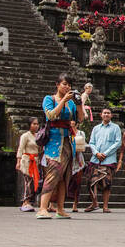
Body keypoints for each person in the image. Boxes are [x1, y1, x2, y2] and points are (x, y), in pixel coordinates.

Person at [38, 73, 83, 219]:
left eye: (69, 85)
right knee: (53, 173)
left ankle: (60, 208)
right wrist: (63, 100)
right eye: (64, 84)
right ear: (57, 85)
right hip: (53, 141)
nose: (67, 87)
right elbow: (51, 115)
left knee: (64, 176)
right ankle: (43, 208)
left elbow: (80, 119)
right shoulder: (49, 99)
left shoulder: (71, 103)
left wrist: (79, 104)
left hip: (68, 142)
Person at [87, 107, 122, 213]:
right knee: (91, 182)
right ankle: (94, 203)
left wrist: (105, 153)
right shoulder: (96, 128)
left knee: (107, 183)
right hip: (95, 159)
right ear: (101, 115)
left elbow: (118, 142)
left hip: (108, 160)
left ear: (111, 115)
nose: (106, 115)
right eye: (104, 113)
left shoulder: (116, 128)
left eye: (108, 113)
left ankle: (105, 206)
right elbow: (91, 142)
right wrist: (96, 153)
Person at [15, 116, 41, 212]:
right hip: (27, 160)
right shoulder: (25, 136)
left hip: (35, 160)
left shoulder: (38, 135)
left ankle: (29, 201)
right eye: (34, 124)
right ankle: (25, 201)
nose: (36, 126)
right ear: (29, 125)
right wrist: (18, 162)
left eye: (37, 124)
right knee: (28, 181)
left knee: (34, 182)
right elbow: (20, 149)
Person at [68, 123, 89, 212]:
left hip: (78, 159)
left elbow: (83, 144)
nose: (73, 126)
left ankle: (75, 203)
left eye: (74, 125)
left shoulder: (81, 133)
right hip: (68, 158)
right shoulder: (67, 133)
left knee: (77, 183)